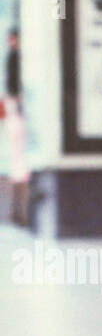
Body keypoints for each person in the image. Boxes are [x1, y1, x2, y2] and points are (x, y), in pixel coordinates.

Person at [4, 28, 29, 227]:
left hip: (17, 111)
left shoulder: (16, 56)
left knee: (18, 161)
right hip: (18, 112)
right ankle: (18, 211)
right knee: (19, 161)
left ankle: (18, 211)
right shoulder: (16, 56)